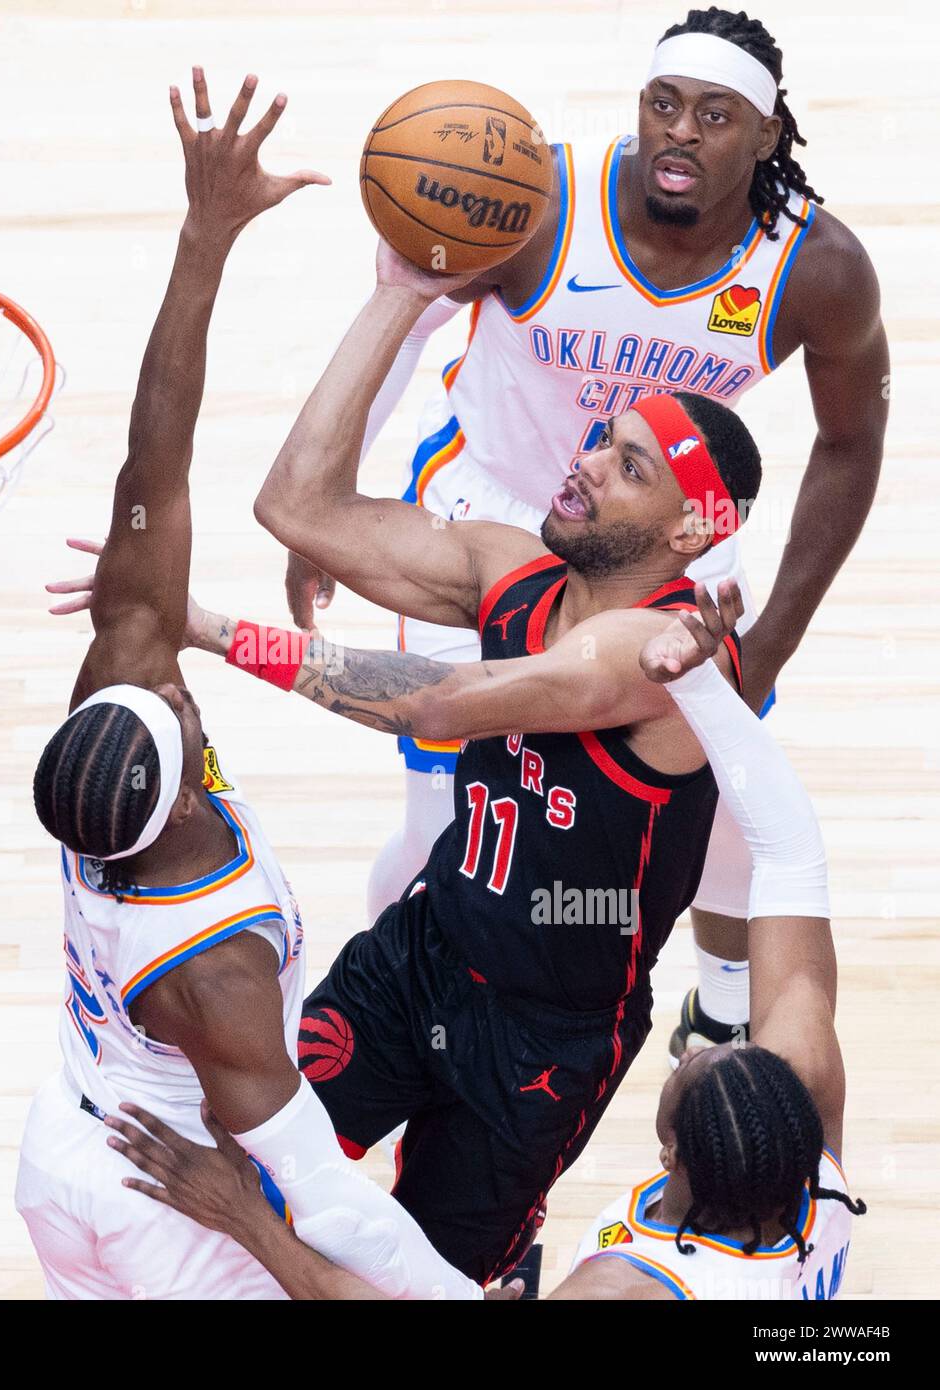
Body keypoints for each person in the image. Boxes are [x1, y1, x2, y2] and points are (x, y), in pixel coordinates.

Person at [287, 6, 888, 1063]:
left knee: (718, 817)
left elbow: (851, 442)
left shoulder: (815, 269)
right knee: (451, 834)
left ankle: (722, 1007)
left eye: (714, 114)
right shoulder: (532, 205)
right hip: (489, 521)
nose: (679, 131)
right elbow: (406, 322)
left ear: (765, 134)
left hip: (666, 545)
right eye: (663, 104)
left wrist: (774, 644)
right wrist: (325, 510)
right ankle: (410, 1014)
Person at [17, 68, 482, 1302]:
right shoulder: (214, 966)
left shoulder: (109, 761)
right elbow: (322, 1193)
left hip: (63, 1148)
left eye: (158, 692)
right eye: (178, 713)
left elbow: (152, 467)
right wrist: (447, 1295)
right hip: (166, 1203)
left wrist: (204, 235)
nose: (174, 689)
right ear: (176, 796)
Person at [105, 600, 866, 1300]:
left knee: (378, 1249)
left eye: (703, 1068)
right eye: (738, 1051)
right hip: (438, 970)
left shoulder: (619, 1290)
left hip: (551, 1048)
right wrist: (701, 685)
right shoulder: (812, 1165)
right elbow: (791, 852)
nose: (712, 1049)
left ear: (672, 1155)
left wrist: (246, 1220)